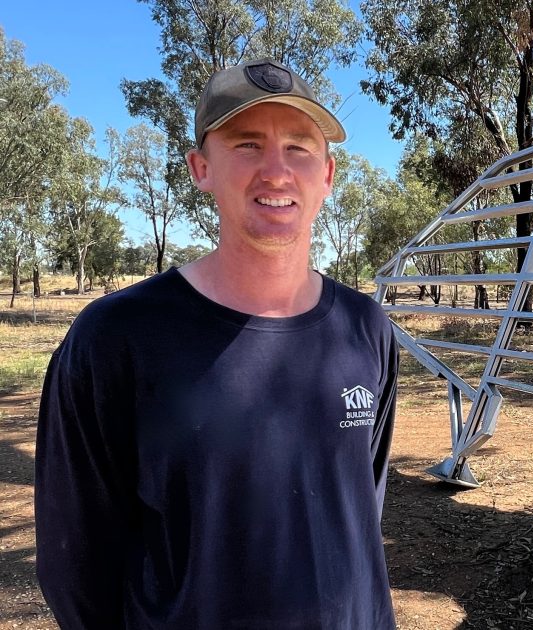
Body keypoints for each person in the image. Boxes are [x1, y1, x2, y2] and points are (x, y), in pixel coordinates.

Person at [35, 59, 399, 629]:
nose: (277, 172)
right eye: (247, 144)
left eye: (299, 147)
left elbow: (359, 510)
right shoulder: (116, 336)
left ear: (327, 175)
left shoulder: (365, 327)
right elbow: (75, 560)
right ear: (201, 167)